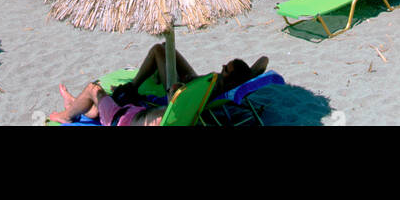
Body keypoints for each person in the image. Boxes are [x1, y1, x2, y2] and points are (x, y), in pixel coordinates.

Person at [49, 48, 270, 125]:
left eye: (226, 69)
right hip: (185, 91)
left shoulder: (213, 84)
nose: (221, 67)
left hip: (129, 116)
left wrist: (174, 90)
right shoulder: (212, 87)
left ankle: (69, 113)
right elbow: (259, 66)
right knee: (163, 49)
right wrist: (248, 73)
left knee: (94, 89)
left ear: (231, 79)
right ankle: (78, 106)